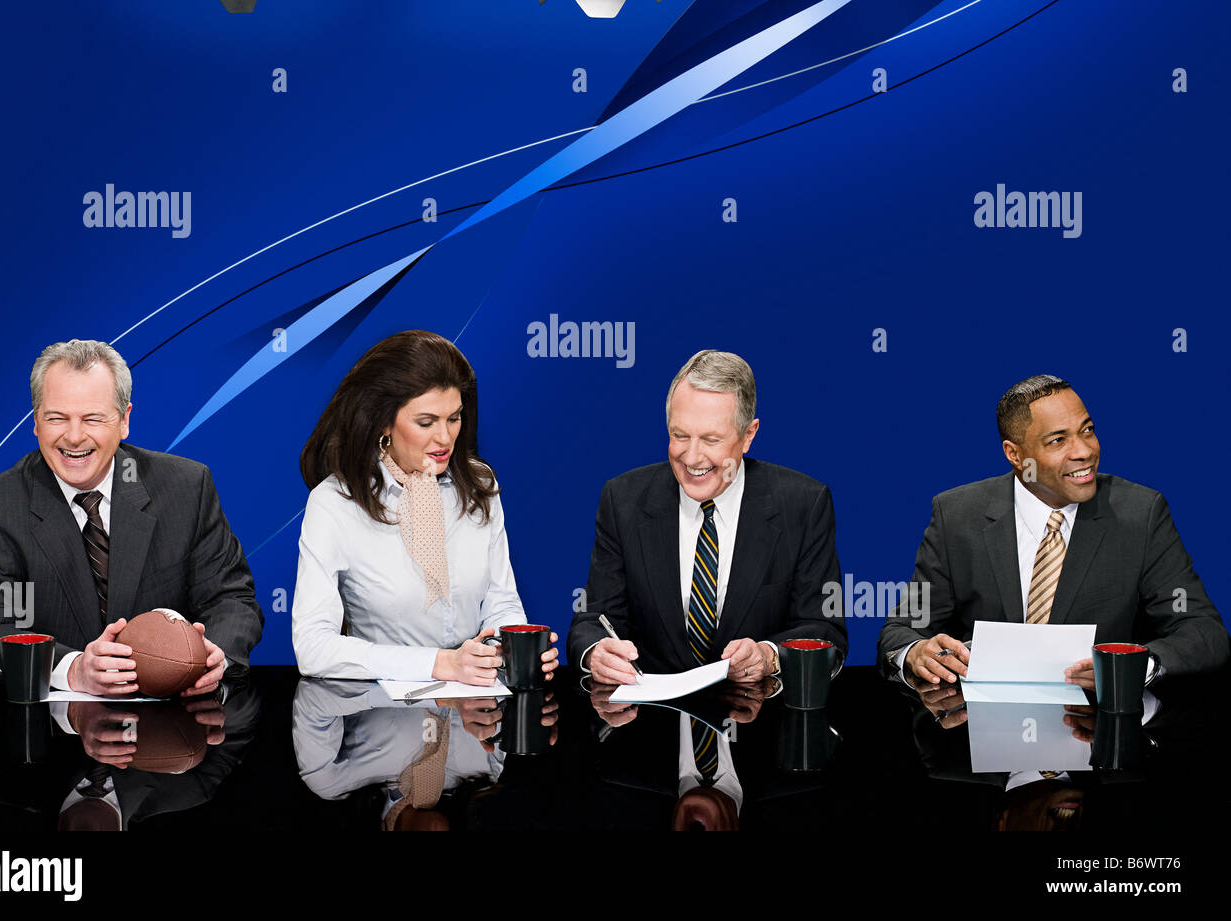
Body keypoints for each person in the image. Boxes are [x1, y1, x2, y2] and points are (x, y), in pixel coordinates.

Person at [878, 374, 1229, 687]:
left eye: (1087, 430)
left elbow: (1203, 630)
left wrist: (1136, 664)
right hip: (981, 739)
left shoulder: (1141, 514)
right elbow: (900, 631)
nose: (1085, 451)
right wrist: (915, 653)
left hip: (1098, 737)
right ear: (1015, 455)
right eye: (1058, 441)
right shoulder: (956, 516)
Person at [0, 339, 263, 695]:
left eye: (92, 418)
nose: (73, 436)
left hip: (173, 727)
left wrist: (212, 657)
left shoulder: (187, 487)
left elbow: (232, 601)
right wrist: (71, 670)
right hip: (52, 736)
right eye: (56, 418)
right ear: (36, 422)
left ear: (124, 420)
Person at [292, 330, 559, 683]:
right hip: (381, 721)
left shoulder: (480, 485)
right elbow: (313, 648)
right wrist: (440, 663)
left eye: (454, 418)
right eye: (426, 422)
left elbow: (502, 601)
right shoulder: (335, 503)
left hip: (474, 719)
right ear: (382, 421)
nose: (445, 438)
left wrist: (502, 646)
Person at [568, 350, 846, 685]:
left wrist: (769, 656)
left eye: (711, 439)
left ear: (748, 435)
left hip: (758, 724)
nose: (692, 456)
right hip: (651, 724)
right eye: (680, 435)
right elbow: (593, 619)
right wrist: (597, 651)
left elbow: (825, 630)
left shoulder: (803, 505)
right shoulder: (622, 499)